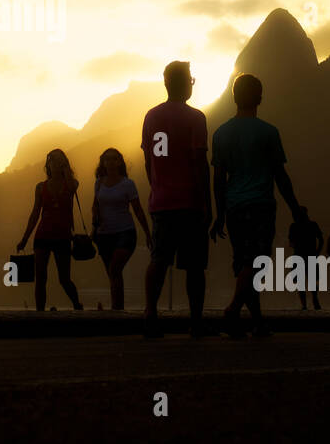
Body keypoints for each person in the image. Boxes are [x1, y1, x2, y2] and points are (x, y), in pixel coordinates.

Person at [210, 73, 303, 338]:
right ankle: (233, 309)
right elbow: (280, 176)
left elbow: (218, 179)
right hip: (261, 205)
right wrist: (295, 208)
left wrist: (219, 214)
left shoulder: (221, 134)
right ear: (260, 98)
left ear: (233, 97)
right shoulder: (268, 132)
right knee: (257, 262)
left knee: (244, 264)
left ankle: (258, 321)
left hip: (234, 207)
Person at [141, 61, 212, 338]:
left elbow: (151, 159)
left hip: (162, 201)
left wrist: (158, 186)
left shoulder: (152, 117)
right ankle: (196, 321)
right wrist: (207, 201)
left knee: (159, 260)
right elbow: (199, 162)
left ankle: (150, 314)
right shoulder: (196, 118)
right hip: (190, 202)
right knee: (194, 266)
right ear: (185, 83)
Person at [17, 149, 82, 312]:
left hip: (63, 236)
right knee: (40, 277)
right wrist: (25, 238)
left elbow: (73, 187)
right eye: (52, 161)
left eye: (59, 161)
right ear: (48, 165)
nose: (55, 164)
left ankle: (77, 305)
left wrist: (65, 168)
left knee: (64, 278)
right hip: (43, 235)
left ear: (64, 164)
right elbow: (34, 214)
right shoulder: (40, 187)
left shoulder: (71, 183)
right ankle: (40, 312)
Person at [90, 148, 150, 311]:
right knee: (113, 274)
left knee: (115, 268)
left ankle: (116, 309)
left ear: (120, 162)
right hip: (103, 234)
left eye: (114, 158)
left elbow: (137, 210)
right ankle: (118, 310)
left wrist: (147, 233)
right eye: (107, 159)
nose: (110, 162)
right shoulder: (99, 183)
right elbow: (95, 206)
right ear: (102, 162)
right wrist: (94, 227)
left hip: (125, 232)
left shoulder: (127, 184)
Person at [288, 206, 324, 310]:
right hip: (311, 255)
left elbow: (291, 242)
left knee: (300, 282)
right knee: (312, 280)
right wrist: (317, 252)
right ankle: (315, 299)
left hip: (299, 255)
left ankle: (304, 305)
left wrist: (295, 244)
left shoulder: (294, 226)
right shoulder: (312, 224)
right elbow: (321, 239)